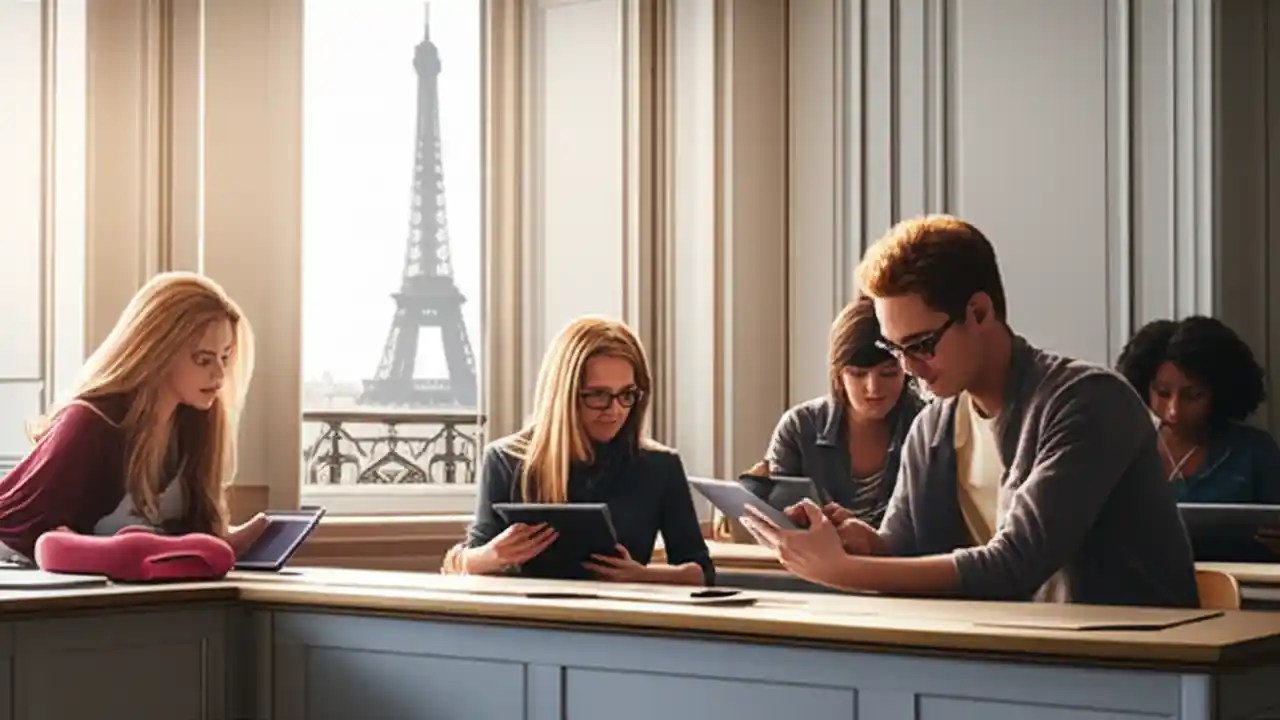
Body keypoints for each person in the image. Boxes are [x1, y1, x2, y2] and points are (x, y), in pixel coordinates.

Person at [742, 215, 1198, 606]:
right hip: (1017, 654)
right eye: (894, 348)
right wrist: (862, 543)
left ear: (979, 313)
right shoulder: (933, 425)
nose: (909, 367)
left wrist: (842, 571)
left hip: (1137, 666)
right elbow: (904, 548)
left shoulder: (1089, 401)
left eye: (921, 345)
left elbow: (1015, 564)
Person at [0, 272, 270, 563]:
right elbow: (21, 536)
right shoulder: (90, 426)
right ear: (158, 353)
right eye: (203, 360)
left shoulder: (196, 425)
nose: (219, 375)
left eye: (225, 358)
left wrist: (224, 540)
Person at [442, 316, 713, 585]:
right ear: (565, 396)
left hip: (622, 619)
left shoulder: (659, 465)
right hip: (524, 619)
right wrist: (490, 557)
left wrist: (642, 576)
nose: (616, 410)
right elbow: (468, 561)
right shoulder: (505, 460)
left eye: (627, 394)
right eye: (598, 395)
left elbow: (702, 572)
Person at [740, 295, 923, 531]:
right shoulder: (799, 427)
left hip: (900, 567)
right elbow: (780, 522)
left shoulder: (927, 425)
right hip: (810, 564)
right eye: (858, 374)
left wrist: (866, 536)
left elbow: (930, 531)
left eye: (888, 373)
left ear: (906, 370)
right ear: (839, 374)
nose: (874, 388)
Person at [1116, 316, 1280, 503]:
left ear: (1220, 393)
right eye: (1163, 393)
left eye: (1192, 396)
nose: (1173, 411)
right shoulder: (1124, 449)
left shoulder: (1253, 451)